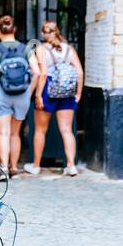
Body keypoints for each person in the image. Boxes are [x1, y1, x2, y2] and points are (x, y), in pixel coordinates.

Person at [0, 15, 40, 177]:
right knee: (15, 133)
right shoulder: (26, 49)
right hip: (22, 94)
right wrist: (29, 92)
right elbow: (37, 72)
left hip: (0, 93)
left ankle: (4, 168)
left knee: (3, 133)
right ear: (14, 30)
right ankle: (14, 167)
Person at [24, 21, 84, 176]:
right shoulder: (69, 49)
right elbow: (80, 73)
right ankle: (71, 165)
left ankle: (36, 165)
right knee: (67, 130)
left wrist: (37, 95)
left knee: (40, 130)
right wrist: (78, 93)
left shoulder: (42, 49)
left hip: (48, 91)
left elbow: (43, 73)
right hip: (67, 93)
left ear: (44, 33)